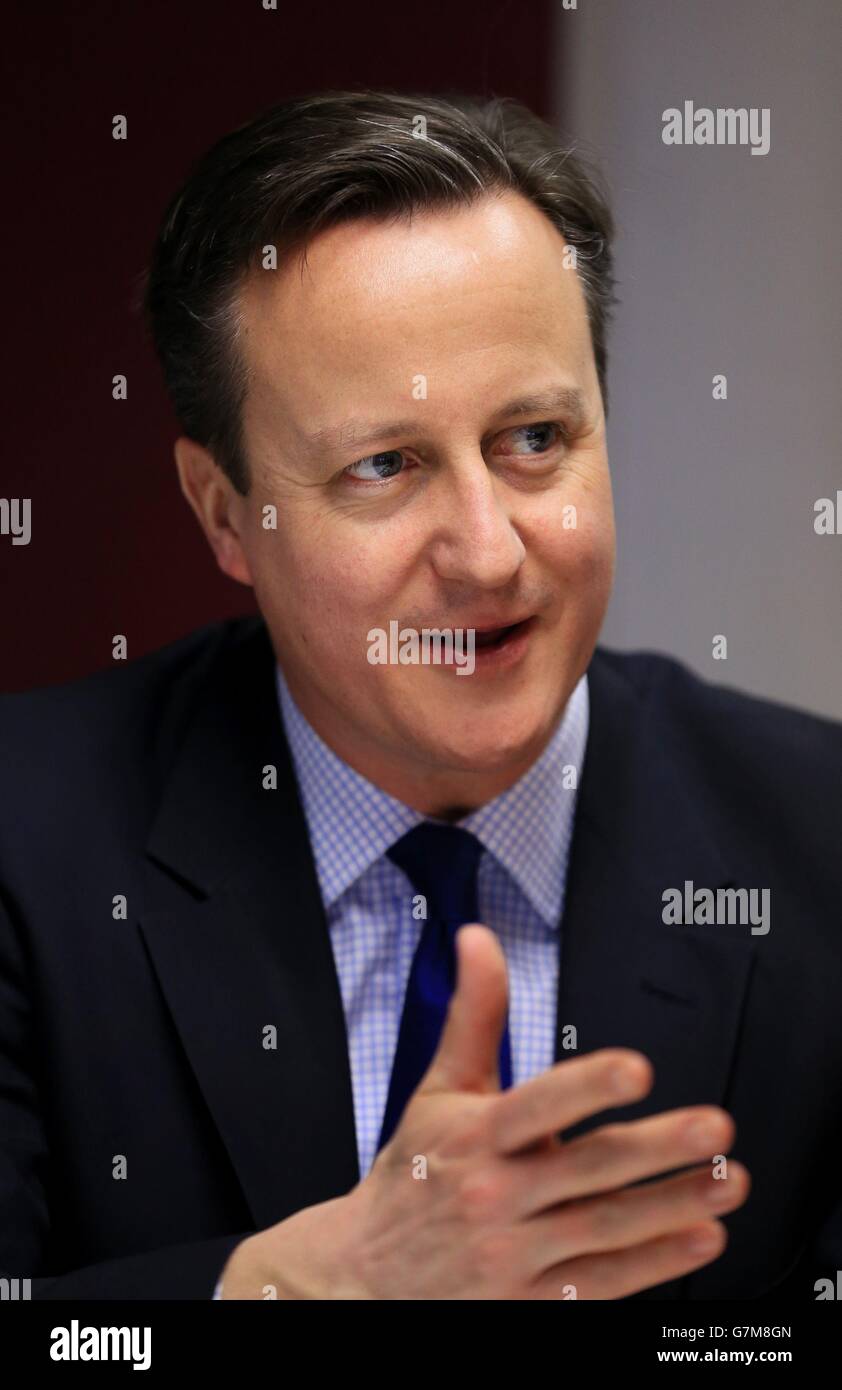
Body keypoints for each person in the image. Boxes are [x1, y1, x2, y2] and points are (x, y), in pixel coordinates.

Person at [1, 90, 840, 1301]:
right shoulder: (26, 850)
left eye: (535, 438)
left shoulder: (816, 845)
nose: (488, 552)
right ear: (225, 514)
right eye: (383, 466)